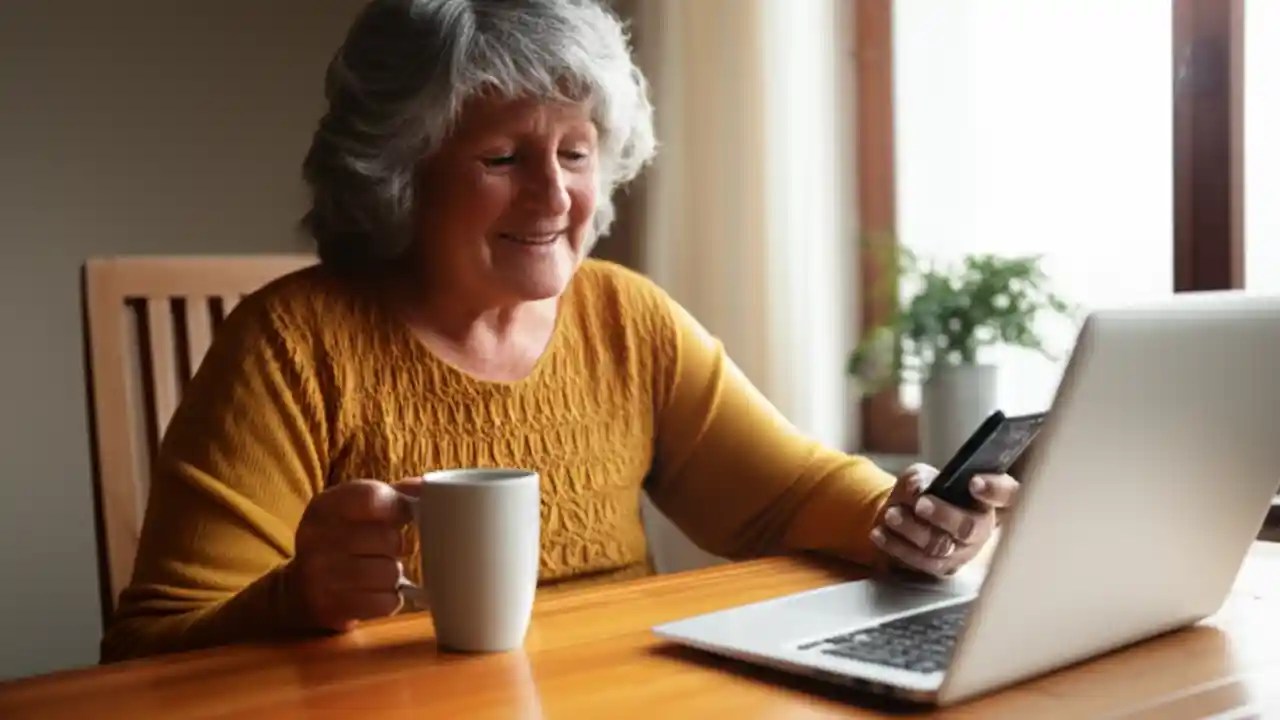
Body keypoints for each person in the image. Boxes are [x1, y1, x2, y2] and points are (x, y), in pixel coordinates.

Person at [100, 0, 1018, 662]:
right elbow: (146, 647)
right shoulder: (291, 346)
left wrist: (907, 520)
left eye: (575, 154)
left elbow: (789, 495)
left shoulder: (627, 316)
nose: (553, 197)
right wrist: (296, 596)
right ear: (399, 173)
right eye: (502, 158)